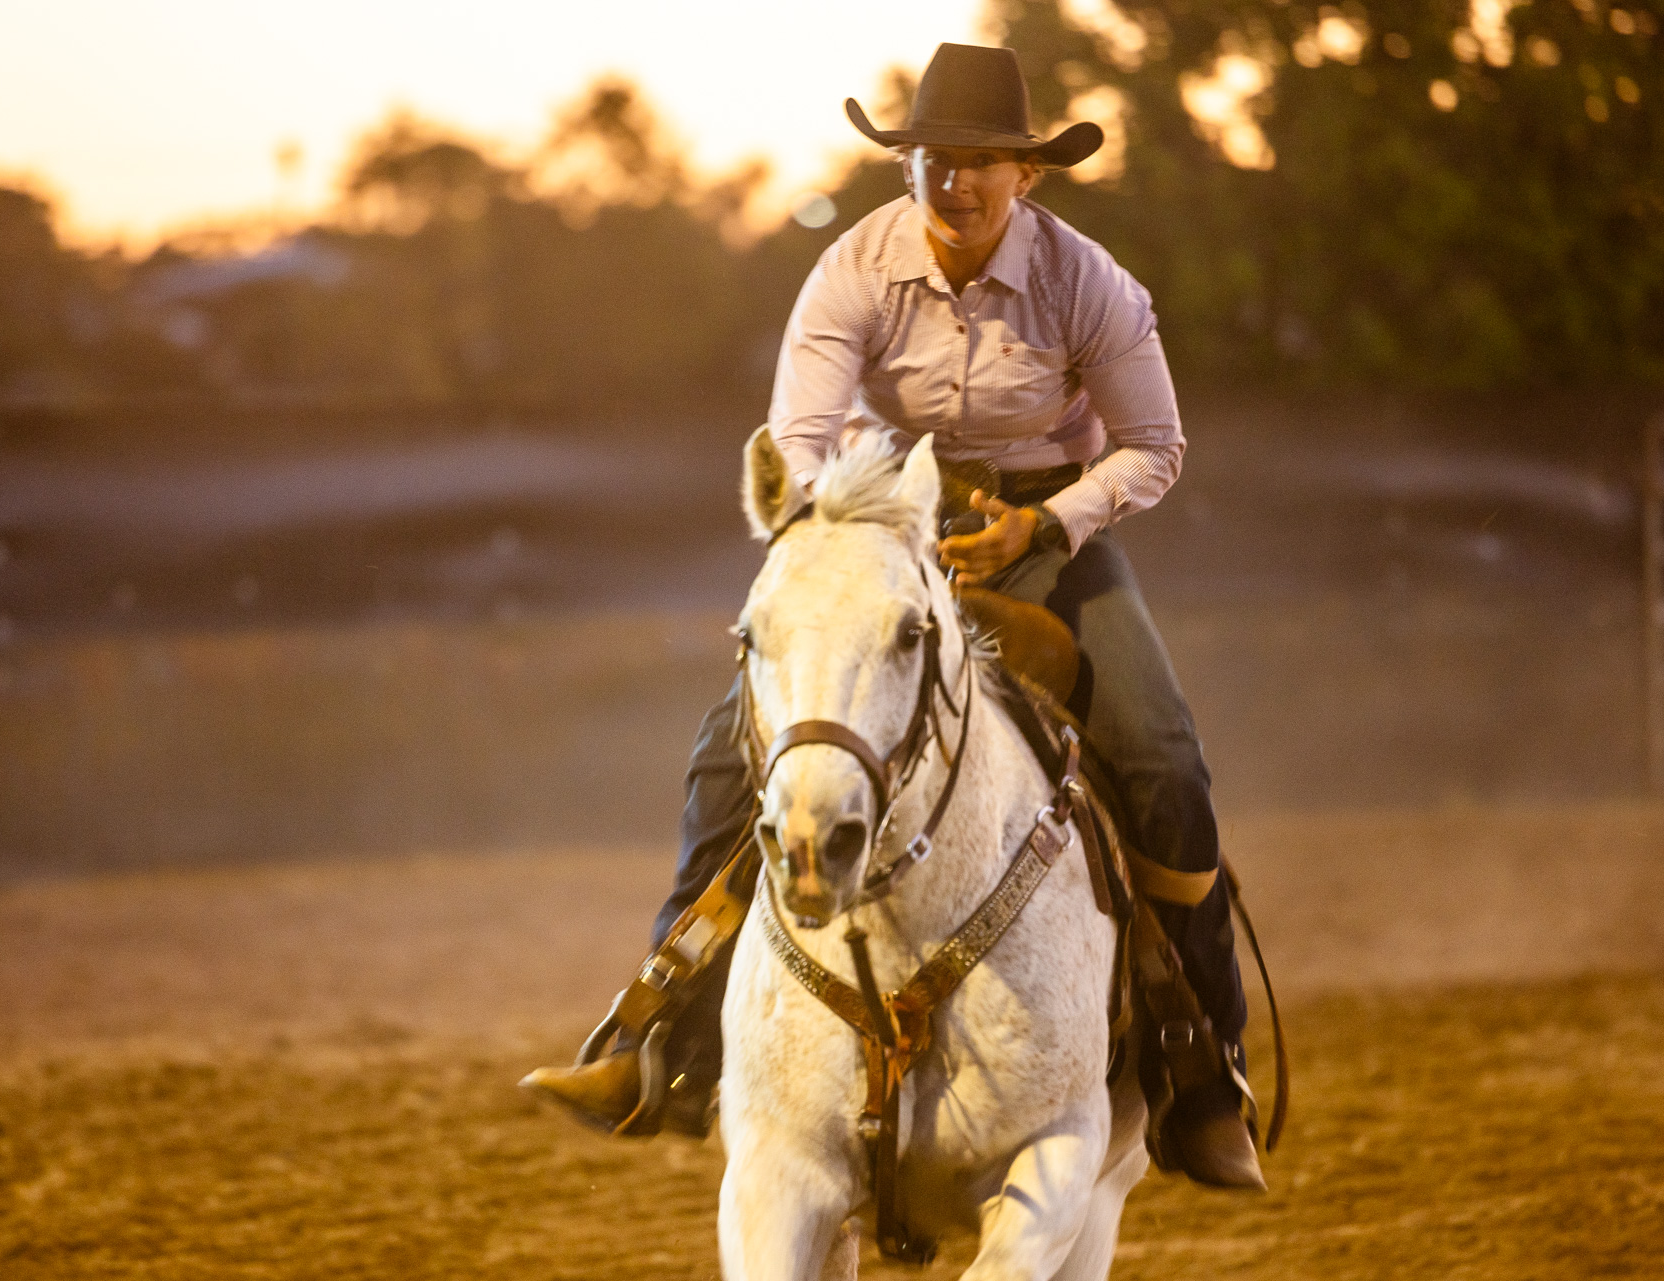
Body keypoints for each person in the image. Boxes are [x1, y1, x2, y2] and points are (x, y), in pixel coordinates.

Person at [526, 42, 1263, 1188]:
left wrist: (1046, 525)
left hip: (1049, 539)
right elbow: (801, 445)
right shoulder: (851, 272)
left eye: (980, 162)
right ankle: (658, 1039)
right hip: (884, 529)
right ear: (905, 166)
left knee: (1165, 764)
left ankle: (1204, 1060)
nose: (955, 182)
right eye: (932, 160)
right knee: (733, 757)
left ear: (1028, 177)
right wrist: (869, 531)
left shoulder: (1089, 283)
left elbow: (1154, 448)